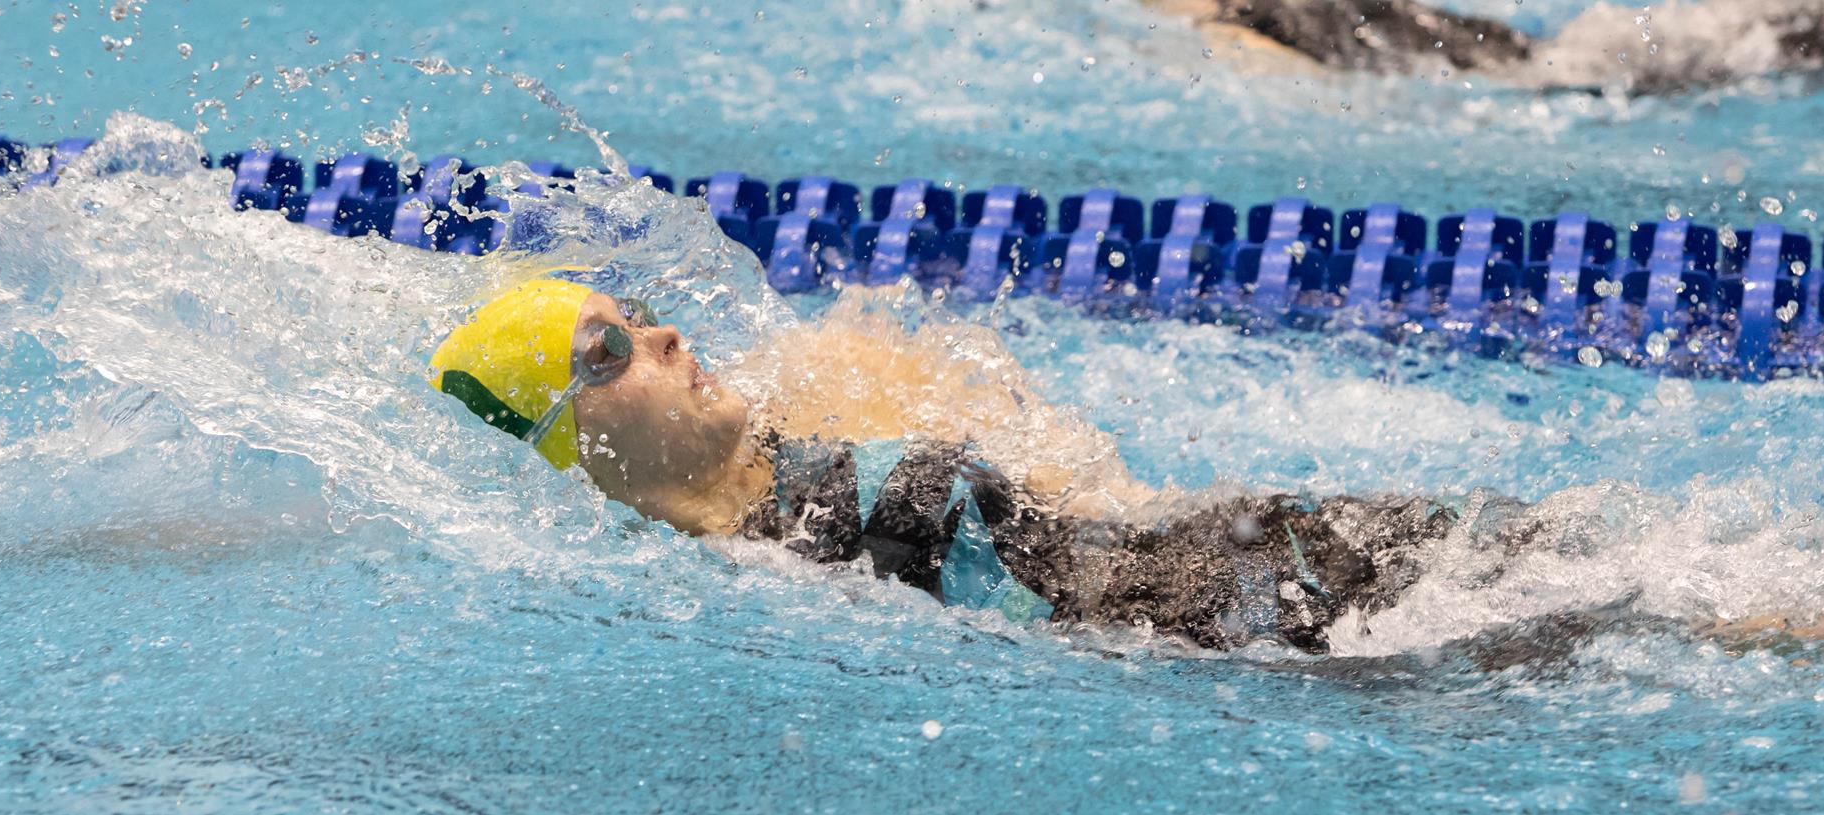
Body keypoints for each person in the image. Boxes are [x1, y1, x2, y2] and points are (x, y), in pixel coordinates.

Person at [429, 273, 1458, 653]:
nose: (662, 339)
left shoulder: (780, 452)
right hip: (1289, 631)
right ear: (570, 445)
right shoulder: (764, 575)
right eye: (604, 353)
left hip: (1272, 552)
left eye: (641, 317)